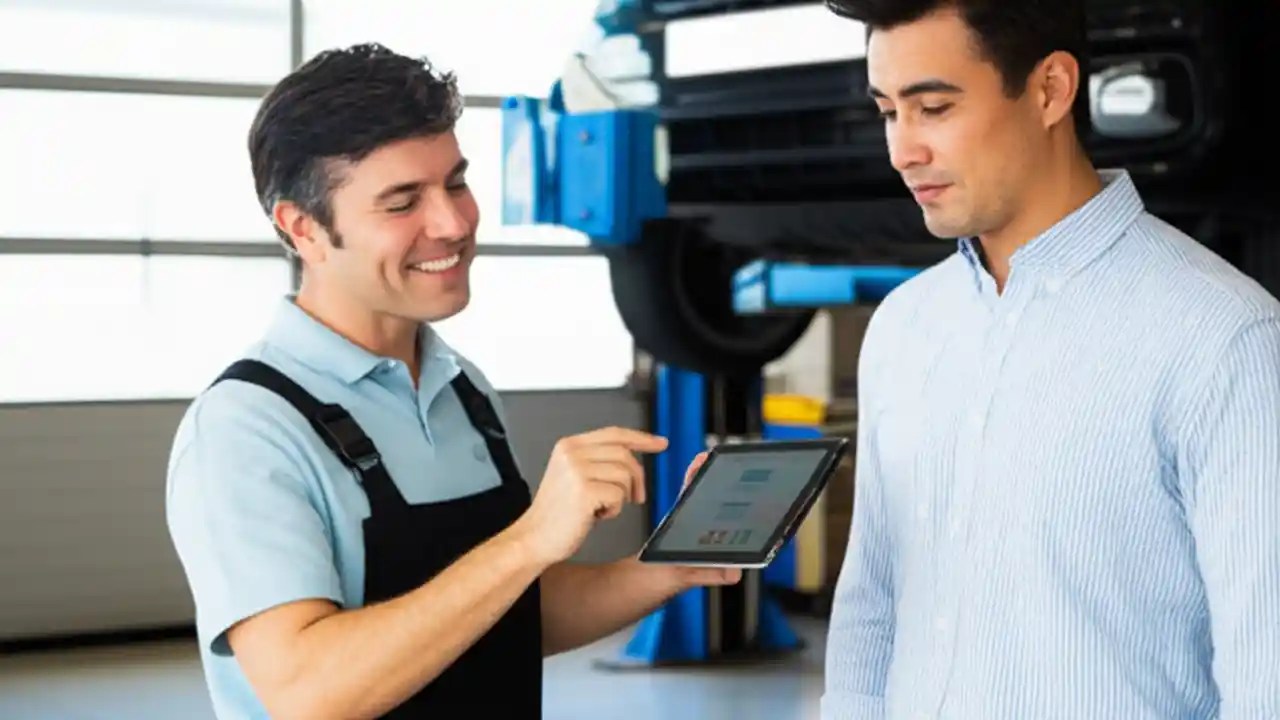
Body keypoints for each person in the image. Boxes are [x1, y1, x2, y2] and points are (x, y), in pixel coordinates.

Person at [164, 43, 740, 720]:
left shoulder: (462, 388)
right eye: (403, 201)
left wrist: (669, 565)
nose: (455, 223)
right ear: (304, 229)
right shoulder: (246, 430)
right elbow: (307, 691)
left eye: (456, 183)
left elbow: (503, 617)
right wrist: (530, 539)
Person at [819, 1, 1280, 718]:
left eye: (933, 108)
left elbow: (1265, 674)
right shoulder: (903, 329)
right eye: (888, 113)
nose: (902, 151)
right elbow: (870, 612)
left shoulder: (1222, 338)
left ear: (1050, 90)